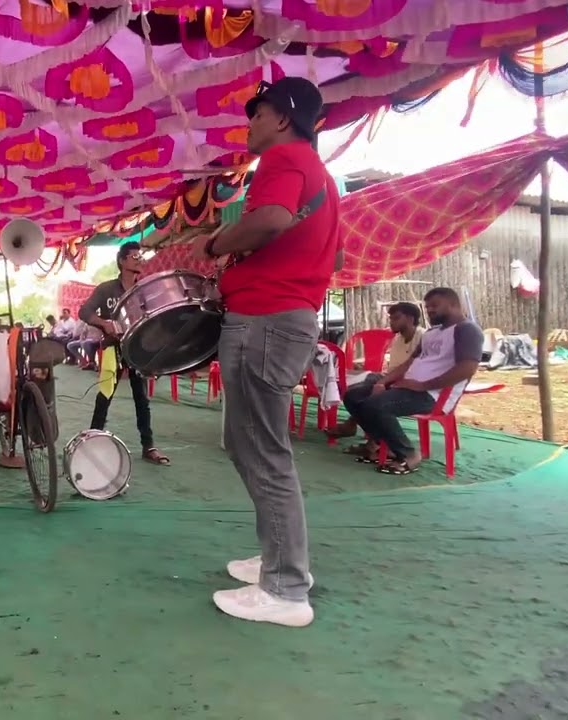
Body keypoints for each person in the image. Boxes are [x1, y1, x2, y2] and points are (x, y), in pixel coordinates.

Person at [193, 76, 342, 628]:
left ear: (282, 118)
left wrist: (213, 244)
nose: (249, 122)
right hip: (278, 317)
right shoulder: (312, 169)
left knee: (264, 448)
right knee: (245, 441)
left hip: (267, 320)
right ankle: (279, 558)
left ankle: (285, 589)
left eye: (257, 112)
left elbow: (272, 219)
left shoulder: (284, 160)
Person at [339, 288, 482, 475]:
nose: (429, 310)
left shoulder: (467, 329)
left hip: (433, 395)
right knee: (353, 395)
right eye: (428, 306)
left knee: (376, 405)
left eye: (435, 306)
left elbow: (467, 368)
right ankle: (381, 444)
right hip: (409, 387)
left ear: (454, 305)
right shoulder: (432, 333)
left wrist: (422, 385)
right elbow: (409, 363)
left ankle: (408, 454)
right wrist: (382, 382)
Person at [78, 242, 170, 466]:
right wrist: (103, 323)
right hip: (113, 348)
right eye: (135, 256)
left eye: (141, 256)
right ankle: (93, 440)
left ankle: (148, 447)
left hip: (138, 350)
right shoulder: (106, 289)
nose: (139, 260)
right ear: (122, 261)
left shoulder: (146, 290)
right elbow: (84, 311)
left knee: (142, 399)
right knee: (105, 396)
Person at [326, 302, 422, 441]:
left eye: (396, 318)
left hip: (412, 384)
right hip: (393, 378)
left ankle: (367, 435)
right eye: (390, 319)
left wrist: (384, 382)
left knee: (368, 386)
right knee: (355, 389)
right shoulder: (398, 338)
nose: (391, 322)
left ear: (410, 319)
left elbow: (413, 369)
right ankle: (365, 432)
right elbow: (394, 369)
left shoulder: (423, 337)